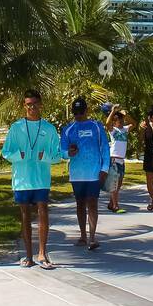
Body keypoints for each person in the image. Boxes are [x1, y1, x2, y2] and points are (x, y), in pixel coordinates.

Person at [0, 89, 62, 269]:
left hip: (41, 178)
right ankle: (28, 255)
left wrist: (45, 157)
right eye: (29, 104)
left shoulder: (49, 129)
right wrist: (19, 155)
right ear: (24, 106)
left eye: (35, 104)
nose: (32, 108)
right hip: (21, 179)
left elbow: (57, 156)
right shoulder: (16, 127)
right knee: (25, 214)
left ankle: (42, 253)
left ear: (40, 104)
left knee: (43, 210)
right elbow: (5, 152)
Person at [61, 97, 110, 250]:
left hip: (94, 173)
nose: (78, 115)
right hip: (77, 174)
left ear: (86, 111)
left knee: (93, 204)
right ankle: (83, 236)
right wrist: (69, 152)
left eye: (81, 112)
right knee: (80, 204)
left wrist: (105, 168)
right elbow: (62, 152)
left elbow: (105, 149)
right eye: (76, 112)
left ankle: (93, 237)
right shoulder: (68, 129)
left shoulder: (96, 126)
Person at [104, 106, 130, 213]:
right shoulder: (113, 131)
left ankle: (111, 203)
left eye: (121, 120)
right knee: (114, 183)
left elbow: (135, 123)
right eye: (118, 121)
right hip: (114, 159)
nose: (120, 122)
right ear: (114, 123)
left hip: (121, 160)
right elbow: (107, 123)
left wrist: (126, 114)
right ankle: (115, 205)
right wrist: (113, 112)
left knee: (118, 184)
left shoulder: (125, 130)